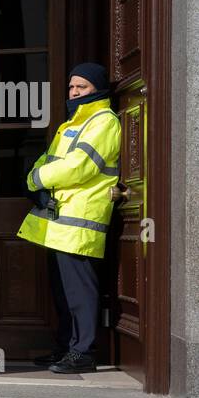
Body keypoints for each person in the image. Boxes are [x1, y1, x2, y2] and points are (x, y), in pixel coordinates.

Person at [18, 62, 122, 375]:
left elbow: (79, 166)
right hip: (59, 220)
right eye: (72, 87)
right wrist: (36, 177)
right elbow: (48, 159)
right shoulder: (71, 124)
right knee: (63, 292)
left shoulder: (104, 121)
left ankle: (84, 352)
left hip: (80, 220)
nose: (74, 92)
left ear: (98, 89)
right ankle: (66, 347)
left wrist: (35, 179)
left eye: (82, 87)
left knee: (79, 292)